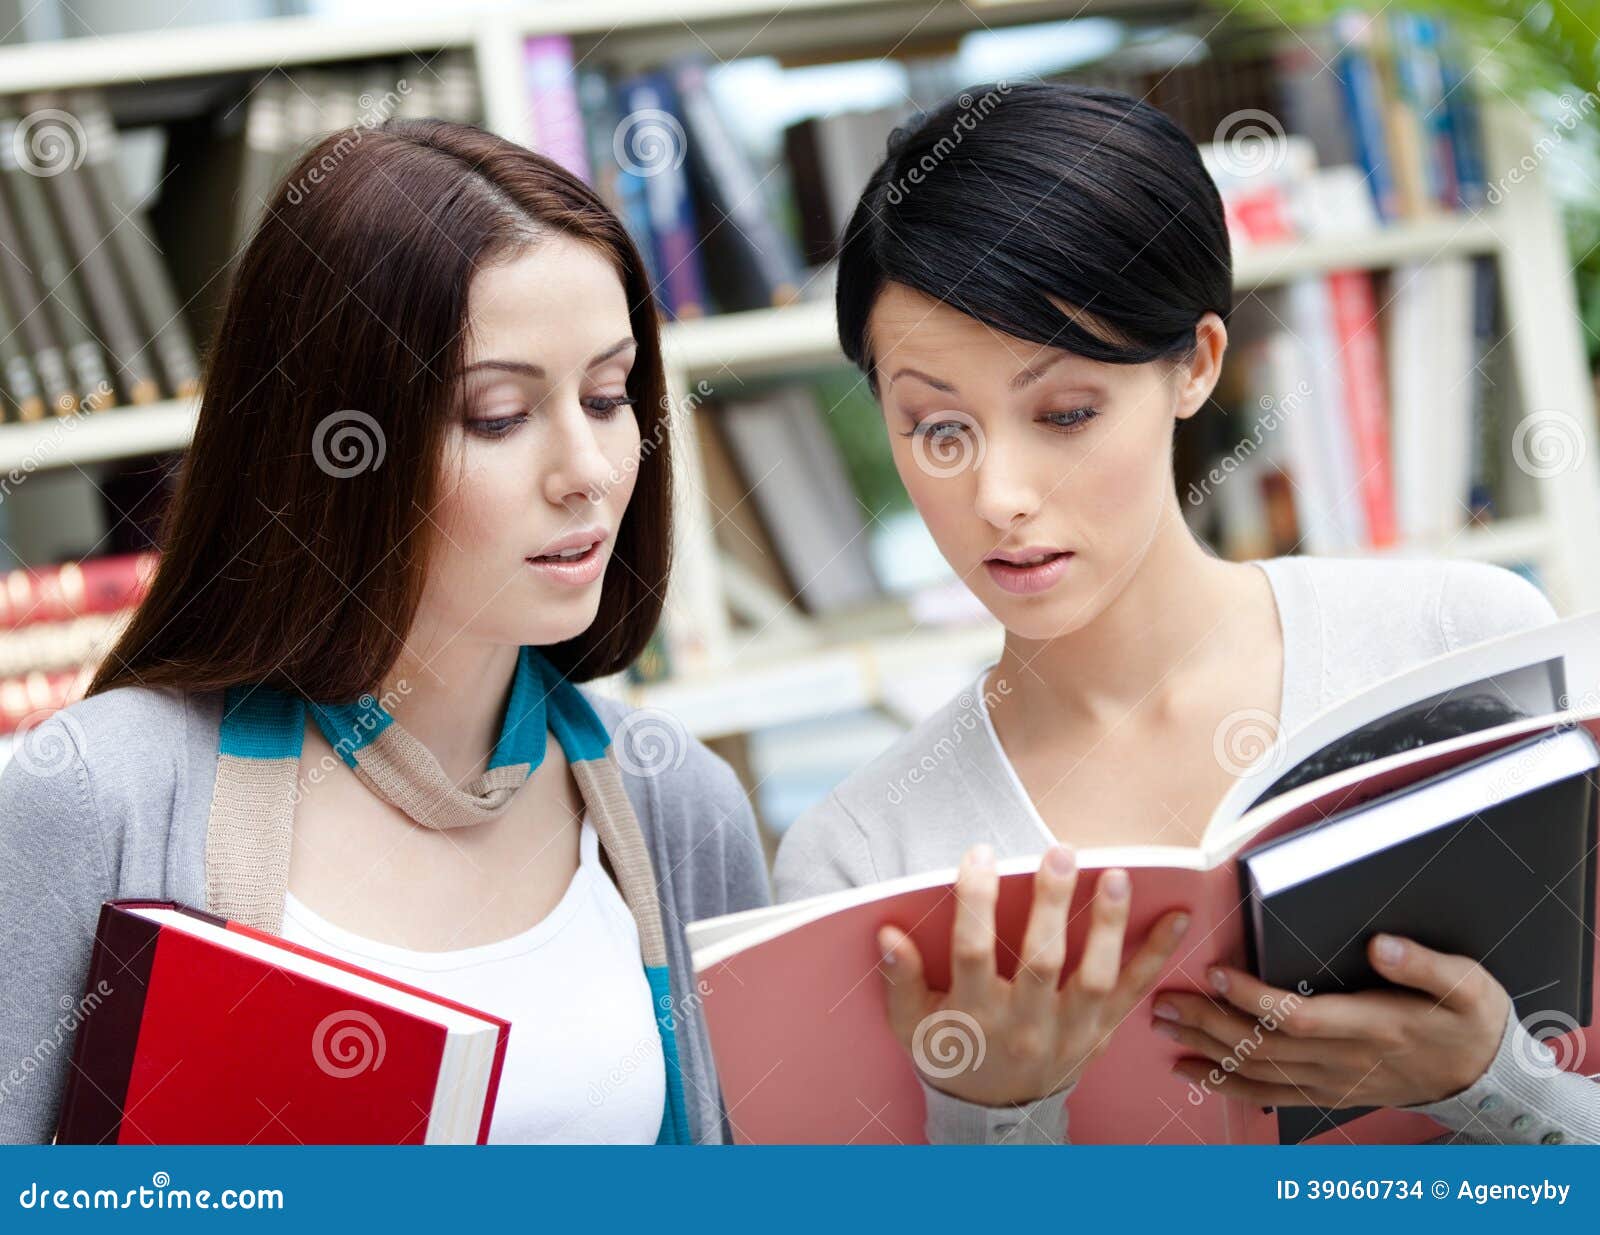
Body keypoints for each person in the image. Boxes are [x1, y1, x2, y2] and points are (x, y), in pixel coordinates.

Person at [773, 81, 1595, 1145]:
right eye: (936, 428)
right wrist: (992, 1116)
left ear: (1197, 364)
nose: (997, 495)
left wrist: (1493, 1078)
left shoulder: (1465, 643)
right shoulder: (862, 858)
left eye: (1066, 412)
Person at [0, 119, 767, 1145]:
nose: (587, 469)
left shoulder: (680, 803)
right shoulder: (98, 793)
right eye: (498, 416)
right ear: (333, 447)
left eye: (606, 395)